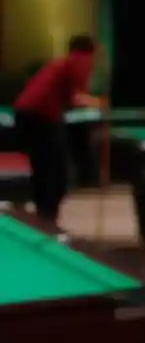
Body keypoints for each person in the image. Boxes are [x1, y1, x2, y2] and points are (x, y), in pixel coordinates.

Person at [13, 35, 104, 222]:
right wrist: (102, 104)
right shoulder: (81, 61)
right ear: (91, 51)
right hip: (41, 115)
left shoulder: (62, 62)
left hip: (24, 113)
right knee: (57, 172)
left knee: (42, 167)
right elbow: (77, 98)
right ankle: (48, 217)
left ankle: (43, 215)